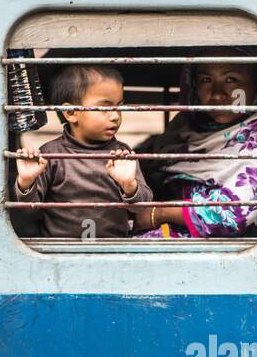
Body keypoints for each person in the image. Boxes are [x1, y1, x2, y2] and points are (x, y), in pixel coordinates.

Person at [134, 50, 257, 239]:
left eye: (231, 79)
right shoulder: (186, 125)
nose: (217, 95)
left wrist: (158, 213)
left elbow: (235, 214)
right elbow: (145, 165)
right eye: (206, 80)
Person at [12, 64, 152, 237]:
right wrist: (26, 182)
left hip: (112, 250)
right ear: (71, 113)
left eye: (119, 107)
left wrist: (129, 185)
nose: (116, 116)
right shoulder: (50, 155)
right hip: (59, 254)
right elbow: (28, 210)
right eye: (105, 108)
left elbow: (142, 207)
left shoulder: (122, 155)